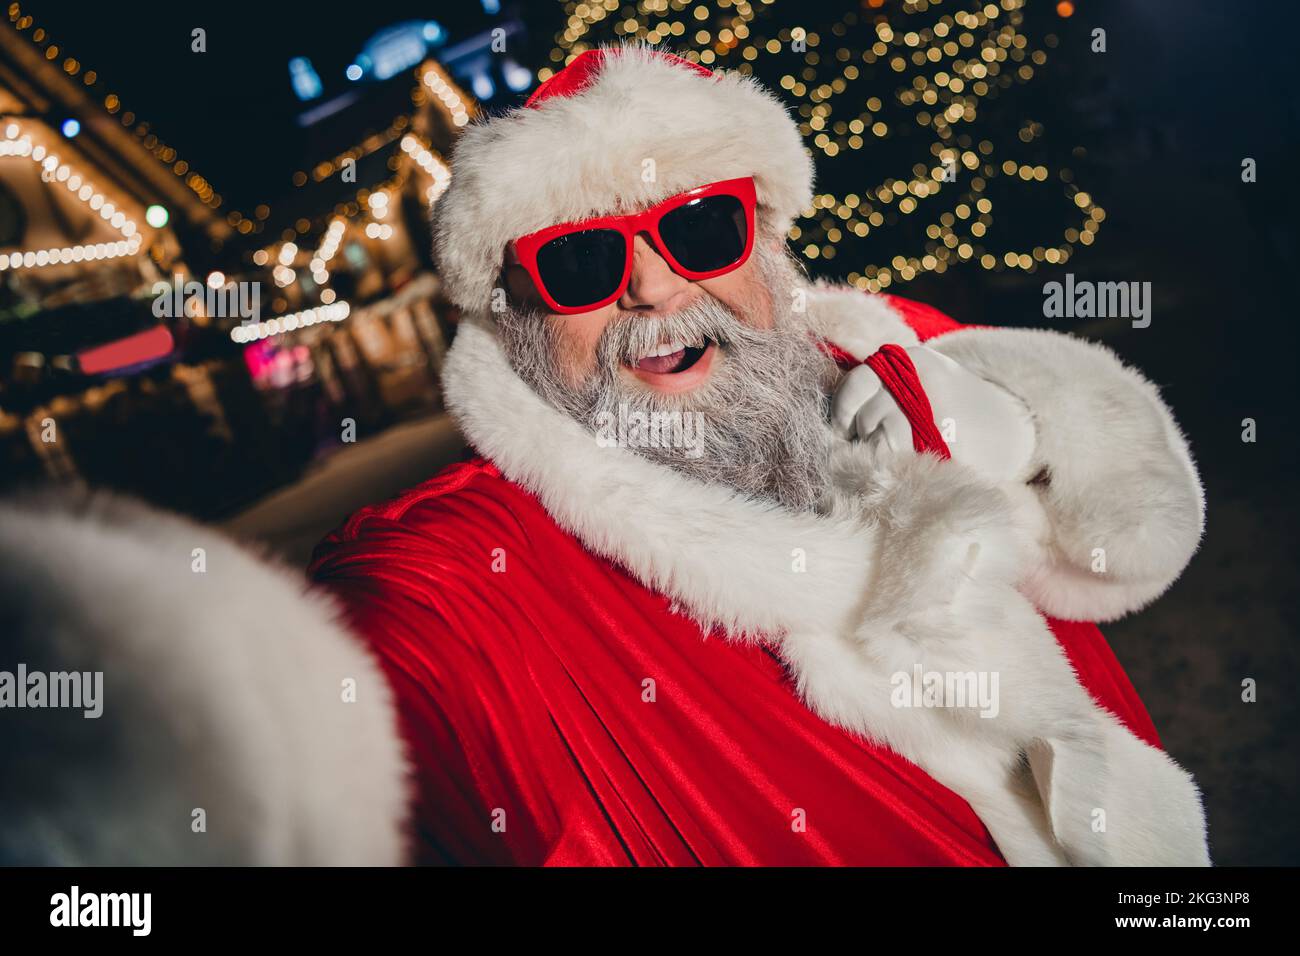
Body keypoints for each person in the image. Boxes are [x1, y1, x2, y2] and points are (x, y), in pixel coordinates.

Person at [0, 46, 1208, 866]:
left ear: (766, 250)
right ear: (518, 322)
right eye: (578, 262)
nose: (654, 283)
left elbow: (1097, 465)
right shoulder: (476, 577)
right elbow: (356, 669)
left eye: (698, 226)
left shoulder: (908, 381)